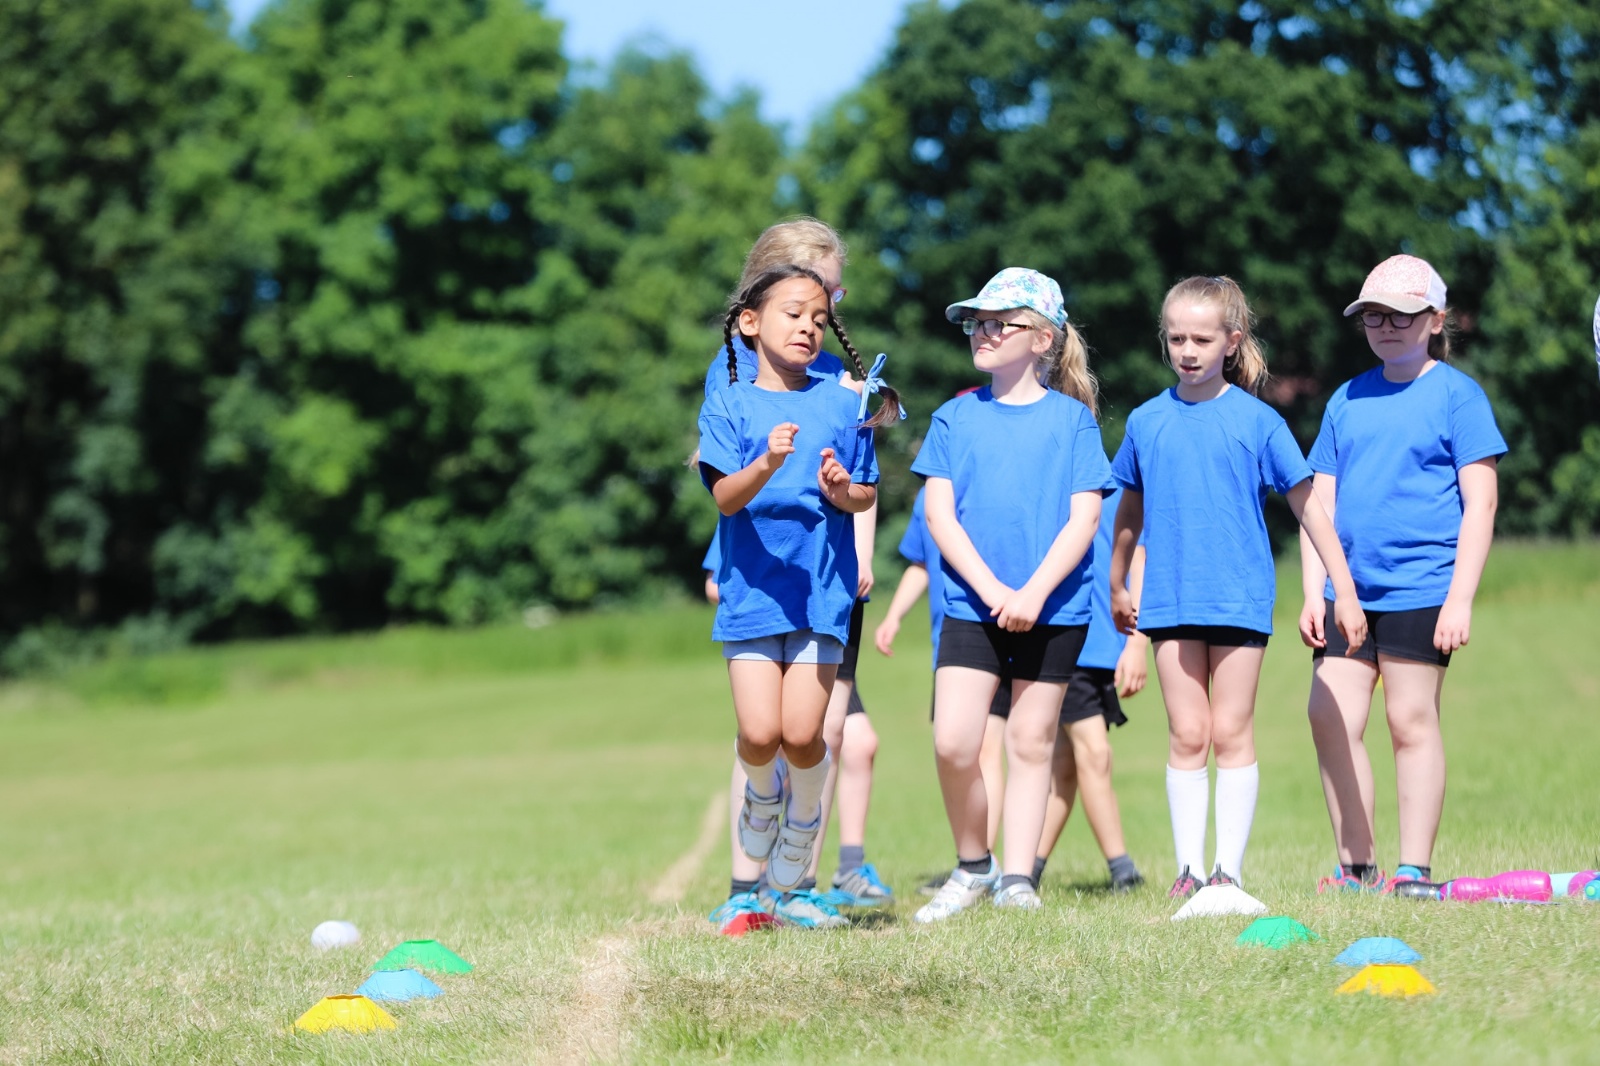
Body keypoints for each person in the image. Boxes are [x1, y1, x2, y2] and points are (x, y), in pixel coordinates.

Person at [1108, 275, 1367, 899]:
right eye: (1176, 338)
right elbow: (1128, 515)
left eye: (1201, 338)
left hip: (1238, 598)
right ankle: (1189, 871)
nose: (1188, 350)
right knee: (1186, 733)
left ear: (1232, 340)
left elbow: (1310, 509)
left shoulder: (1260, 422)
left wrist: (1345, 590)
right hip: (1168, 600)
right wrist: (1118, 582)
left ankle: (1229, 871)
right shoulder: (1146, 422)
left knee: (1231, 731)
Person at [700, 220, 892, 934]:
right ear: (750, 321)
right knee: (758, 734)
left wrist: (843, 489)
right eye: (796, 313)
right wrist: (766, 465)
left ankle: (803, 826)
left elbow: (867, 494)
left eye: (823, 315)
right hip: (753, 592)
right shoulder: (728, 396)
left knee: (808, 735)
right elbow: (723, 497)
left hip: (823, 594)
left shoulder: (846, 401)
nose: (812, 326)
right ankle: (761, 809)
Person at [910, 268, 1113, 922]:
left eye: (1002, 322)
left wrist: (1032, 592)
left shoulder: (1074, 424)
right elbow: (940, 517)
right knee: (954, 741)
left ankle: (1018, 878)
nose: (985, 331)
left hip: (1054, 609)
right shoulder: (952, 416)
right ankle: (974, 866)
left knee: (1030, 743)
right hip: (973, 605)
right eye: (979, 321)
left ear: (1043, 339)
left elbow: (1084, 520)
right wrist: (996, 589)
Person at [1301, 255, 1505, 893]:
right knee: (1329, 714)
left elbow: (1482, 503)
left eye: (1402, 315)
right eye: (1373, 316)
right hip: (1348, 593)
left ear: (1436, 320)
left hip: (1424, 589)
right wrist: (1316, 590)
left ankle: (1413, 870)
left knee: (1409, 721)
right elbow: (1319, 506)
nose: (1386, 326)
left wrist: (1460, 599)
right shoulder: (1345, 398)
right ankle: (1358, 866)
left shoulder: (1458, 397)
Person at [875, 483, 1008, 896]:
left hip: (994, 635)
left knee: (986, 748)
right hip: (948, 647)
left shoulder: (988, 487)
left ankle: (982, 861)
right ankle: (973, 860)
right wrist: (894, 615)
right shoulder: (928, 495)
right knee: (956, 750)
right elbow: (920, 562)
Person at [1031, 486, 1148, 894]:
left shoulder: (1115, 492)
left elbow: (1140, 559)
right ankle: (1123, 869)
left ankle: (1025, 871)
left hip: (1104, 649)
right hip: (1066, 646)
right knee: (1095, 754)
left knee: (1064, 770)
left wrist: (1136, 641)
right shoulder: (1047, 491)